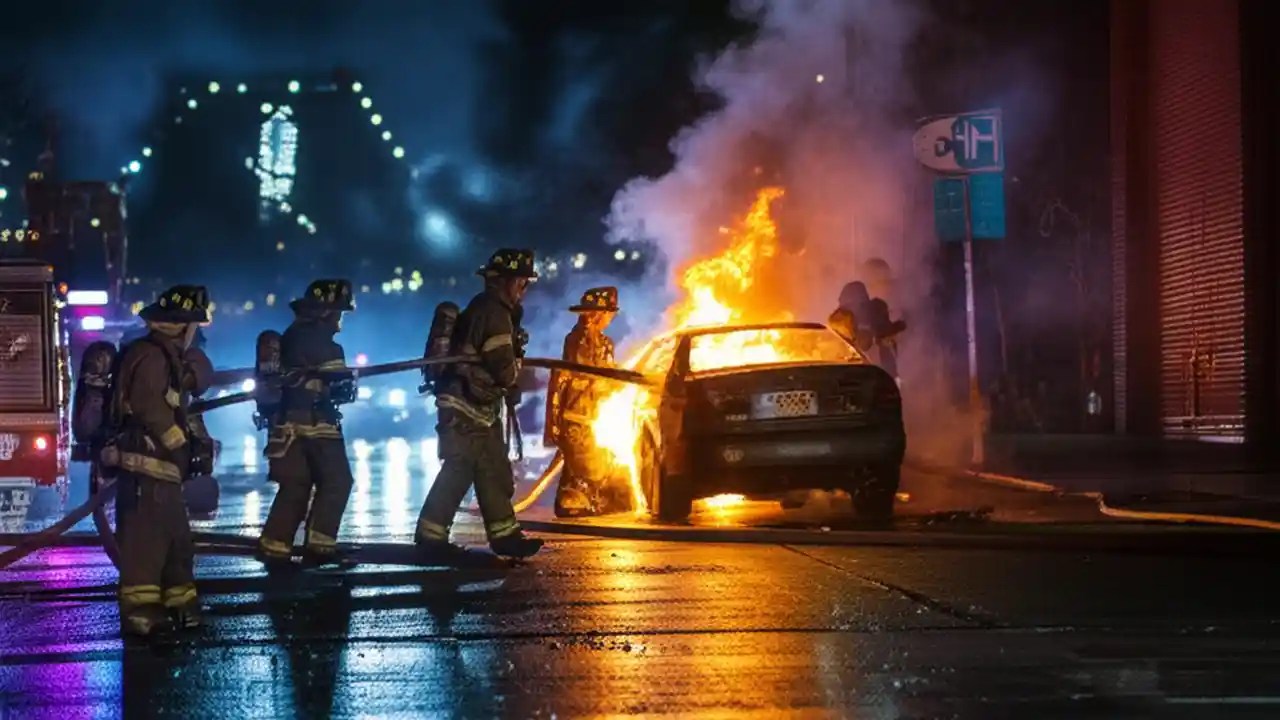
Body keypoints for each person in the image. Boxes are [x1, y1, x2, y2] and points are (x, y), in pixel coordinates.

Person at [415, 249, 544, 559]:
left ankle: (505, 536)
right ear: (507, 283)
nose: (523, 291)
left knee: (493, 469)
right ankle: (430, 536)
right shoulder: (493, 312)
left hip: (479, 405)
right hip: (463, 403)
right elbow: (501, 365)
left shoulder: (489, 309)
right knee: (460, 468)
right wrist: (515, 380)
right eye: (522, 283)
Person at [111, 285, 210, 637]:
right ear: (182, 326)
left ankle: (179, 603)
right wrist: (177, 441)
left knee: (176, 538)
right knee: (147, 541)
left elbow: (183, 396)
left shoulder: (163, 355)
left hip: (160, 468)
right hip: (146, 465)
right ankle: (141, 612)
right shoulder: (152, 356)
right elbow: (148, 404)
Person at [257, 280, 359, 570]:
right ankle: (320, 546)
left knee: (296, 486)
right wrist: (347, 378)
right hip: (315, 423)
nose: (340, 321)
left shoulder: (292, 335)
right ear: (327, 313)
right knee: (338, 481)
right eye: (339, 313)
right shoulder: (324, 343)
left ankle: (274, 549)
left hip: (285, 426)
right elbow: (339, 386)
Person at [544, 286, 628, 517]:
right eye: (607, 313)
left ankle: (584, 501)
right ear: (597, 314)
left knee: (596, 462)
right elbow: (583, 374)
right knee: (582, 462)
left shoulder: (605, 342)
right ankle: (572, 503)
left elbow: (608, 372)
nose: (610, 318)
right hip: (577, 413)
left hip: (595, 413)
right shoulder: (577, 340)